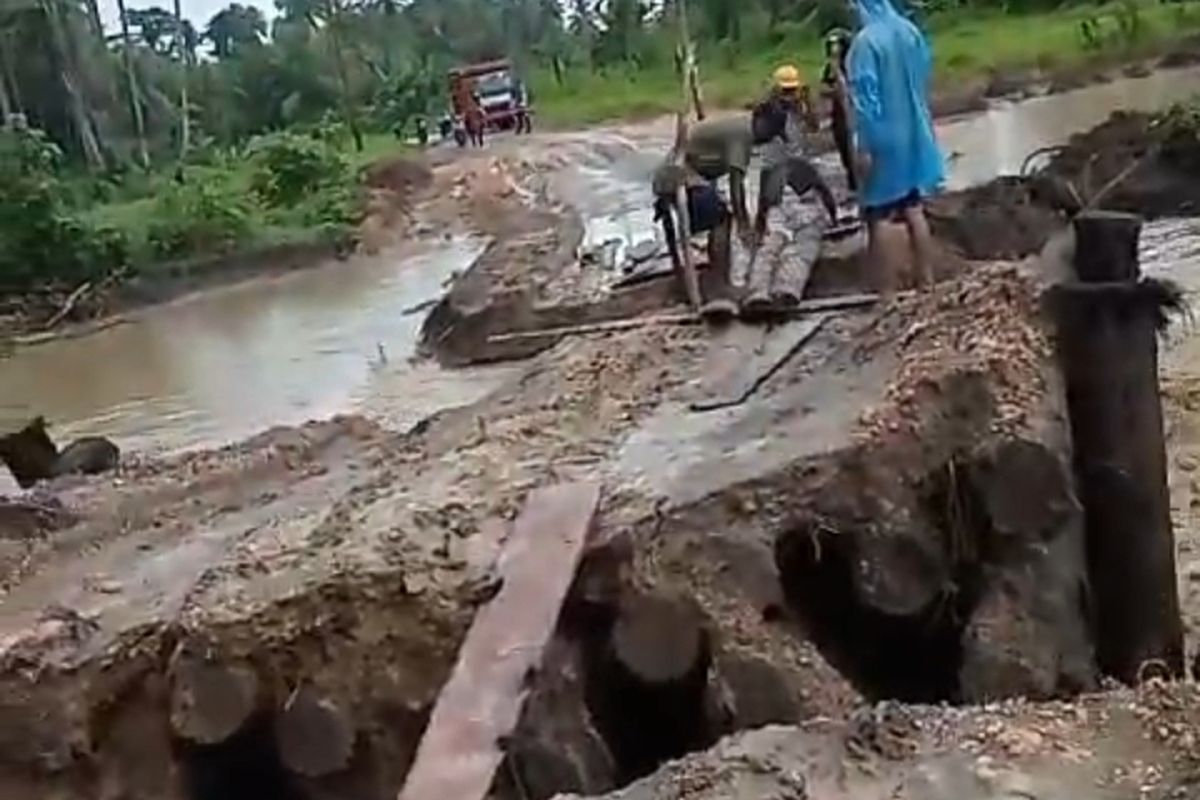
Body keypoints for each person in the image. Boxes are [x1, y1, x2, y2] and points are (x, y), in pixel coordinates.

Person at [650, 100, 793, 314]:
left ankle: (714, 279)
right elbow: (737, 185)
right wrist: (744, 225)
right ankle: (718, 285)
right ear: (761, 121)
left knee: (720, 215)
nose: (768, 140)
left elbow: (761, 185)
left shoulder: (743, 127)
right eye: (770, 132)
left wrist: (758, 221)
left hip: (689, 175)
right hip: (677, 176)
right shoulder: (743, 134)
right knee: (722, 219)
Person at [846, 0, 944, 292]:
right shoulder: (909, 31)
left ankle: (886, 294)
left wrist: (864, 145)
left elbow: (865, 99)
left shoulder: (865, 44)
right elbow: (924, 70)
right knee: (913, 206)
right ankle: (927, 283)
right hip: (914, 130)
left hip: (882, 136)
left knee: (876, 215)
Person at [821, 29, 857, 194]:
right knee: (843, 145)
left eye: (838, 46)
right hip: (839, 112)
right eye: (832, 46)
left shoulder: (856, 62)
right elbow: (824, 87)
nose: (835, 50)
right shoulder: (830, 67)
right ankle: (853, 182)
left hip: (855, 110)